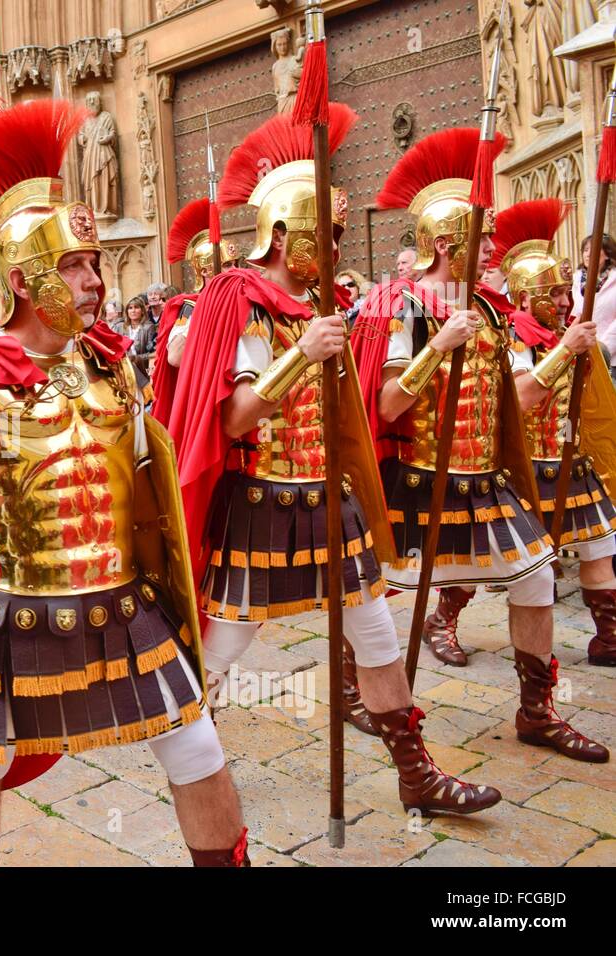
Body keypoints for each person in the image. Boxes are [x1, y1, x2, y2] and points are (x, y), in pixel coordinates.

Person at [0, 99, 250, 867]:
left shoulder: (108, 364)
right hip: (15, 613)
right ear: (24, 279)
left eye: (95, 263)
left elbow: (153, 492)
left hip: (123, 602)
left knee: (195, 741)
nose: (94, 280)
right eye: (73, 267)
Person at [174, 103, 504, 813]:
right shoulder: (242, 301)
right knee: (224, 651)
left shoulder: (322, 303)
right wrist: (302, 354)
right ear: (285, 233)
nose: (334, 243)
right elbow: (232, 418)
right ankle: (187, 758)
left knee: (378, 636)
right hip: (264, 503)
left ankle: (416, 774)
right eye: (325, 232)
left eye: (340, 233)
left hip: (333, 499)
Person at [354, 126, 608, 764]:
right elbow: (387, 405)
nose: (494, 246)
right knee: (368, 599)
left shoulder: (494, 314)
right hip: (416, 482)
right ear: (446, 244)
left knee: (538, 575)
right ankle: (361, 697)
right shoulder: (406, 309)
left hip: (482, 480)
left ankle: (536, 710)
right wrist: (438, 346)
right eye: (483, 236)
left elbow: (516, 404)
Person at [494, 199, 616, 668]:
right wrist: (567, 349)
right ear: (525, 297)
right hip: (521, 467)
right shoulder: (511, 339)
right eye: (556, 294)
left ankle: (608, 637)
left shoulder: (564, 332)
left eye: (568, 291)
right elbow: (523, 396)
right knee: (492, 560)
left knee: (601, 544)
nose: (566, 301)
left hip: (569, 460)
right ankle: (444, 618)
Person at [153, 197, 236, 430]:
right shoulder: (190, 306)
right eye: (228, 266)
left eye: (234, 264)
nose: (235, 270)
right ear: (206, 272)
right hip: (200, 398)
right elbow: (175, 357)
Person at [573, 233, 616, 361]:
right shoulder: (577, 280)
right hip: (584, 352)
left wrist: (603, 348)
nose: (588, 254)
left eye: (593, 249)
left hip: (610, 355)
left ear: (607, 254)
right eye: (585, 250)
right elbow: (576, 313)